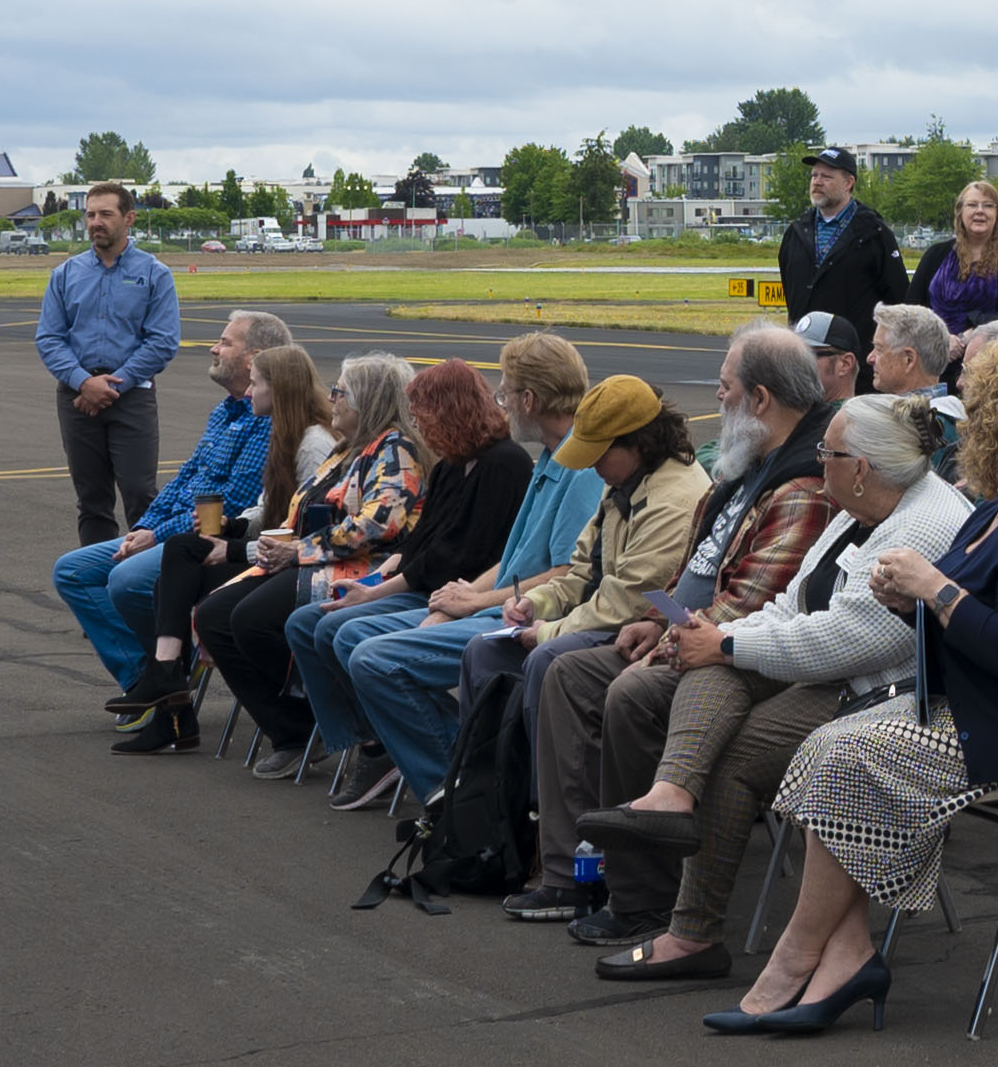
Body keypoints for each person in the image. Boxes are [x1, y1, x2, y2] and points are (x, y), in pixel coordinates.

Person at [702, 340, 998, 1034]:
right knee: (828, 745)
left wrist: (933, 588)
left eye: (977, 407)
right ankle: (846, 951)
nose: (962, 421)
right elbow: (975, 624)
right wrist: (905, 599)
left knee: (850, 753)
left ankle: (798, 958)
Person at [580, 393, 978, 980]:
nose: (819, 462)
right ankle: (671, 796)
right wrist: (722, 637)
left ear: (861, 467)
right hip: (834, 676)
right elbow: (792, 604)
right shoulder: (859, 508)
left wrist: (730, 642)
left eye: (828, 453)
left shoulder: (922, 523)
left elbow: (853, 640)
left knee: (733, 748)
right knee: (709, 659)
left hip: (884, 694)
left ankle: (692, 934)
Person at [524, 329, 843, 877]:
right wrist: (655, 620)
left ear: (760, 399)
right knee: (566, 674)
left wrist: (668, 639)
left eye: (725, 387)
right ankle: (567, 868)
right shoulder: (747, 467)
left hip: (734, 653)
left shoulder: (800, 485)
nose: (717, 398)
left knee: (629, 693)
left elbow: (750, 604)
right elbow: (690, 570)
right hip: (687, 633)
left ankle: (639, 889)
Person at [306, 335, 597, 810]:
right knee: (351, 642)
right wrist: (463, 596)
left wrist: (472, 602)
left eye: (505, 393)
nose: (501, 405)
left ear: (530, 399)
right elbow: (516, 557)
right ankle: (459, 773)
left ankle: (461, 792)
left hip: (529, 615)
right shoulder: (550, 457)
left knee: (372, 658)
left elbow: (567, 572)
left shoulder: (576, 469)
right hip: (501, 603)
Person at [430, 369, 708, 818]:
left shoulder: (672, 499)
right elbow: (583, 570)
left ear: (637, 442)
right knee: (481, 651)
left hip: (638, 630)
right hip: (606, 618)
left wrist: (546, 631)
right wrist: (533, 604)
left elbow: (626, 601)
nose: (592, 466)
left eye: (600, 454)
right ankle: (487, 800)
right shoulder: (624, 482)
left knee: (547, 660)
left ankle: (552, 814)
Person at [279, 362, 528, 794]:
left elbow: (456, 560)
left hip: (463, 596)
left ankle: (436, 752)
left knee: (342, 633)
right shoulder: (453, 465)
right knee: (306, 623)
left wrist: (376, 591)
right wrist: (376, 584)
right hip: (428, 588)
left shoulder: (504, 465)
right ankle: (377, 742)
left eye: (422, 414)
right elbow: (425, 546)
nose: (417, 425)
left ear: (452, 411)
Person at [51, 308, 304, 701]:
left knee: (127, 581)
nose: (213, 348)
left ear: (253, 358)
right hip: (174, 532)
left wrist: (158, 536)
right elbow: (186, 477)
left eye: (225, 342)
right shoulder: (226, 409)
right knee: (73, 571)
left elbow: (230, 506)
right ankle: (146, 679)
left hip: (215, 540)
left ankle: (167, 673)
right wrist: (144, 527)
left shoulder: (266, 419)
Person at [96, 331, 328, 747]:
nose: (250, 390)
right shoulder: (276, 431)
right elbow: (261, 506)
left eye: (256, 383)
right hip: (269, 548)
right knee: (183, 554)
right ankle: (168, 684)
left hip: (294, 561)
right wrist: (234, 528)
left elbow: (310, 534)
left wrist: (235, 545)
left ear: (281, 389)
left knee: (168, 578)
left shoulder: (312, 445)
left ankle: (170, 693)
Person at [207, 351, 420, 765]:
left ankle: (313, 717)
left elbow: (377, 525)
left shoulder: (396, 450)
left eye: (341, 391)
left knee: (251, 620)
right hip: (314, 558)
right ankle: (294, 724)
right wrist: (280, 542)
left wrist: (298, 549)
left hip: (361, 568)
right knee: (214, 616)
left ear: (368, 401)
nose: (333, 398)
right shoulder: (347, 448)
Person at [35, 181, 186, 546]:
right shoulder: (65, 275)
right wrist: (83, 382)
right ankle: (97, 582)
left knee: (140, 495)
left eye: (106, 214)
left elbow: (163, 341)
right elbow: (49, 337)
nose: (95, 222)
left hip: (131, 396)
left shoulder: (154, 274)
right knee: (92, 501)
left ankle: (146, 587)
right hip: (77, 397)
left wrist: (114, 383)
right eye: (90, 214)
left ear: (129, 218)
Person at [776, 144, 901, 336]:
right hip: (804, 352)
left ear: (848, 183)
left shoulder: (874, 233)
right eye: (814, 176)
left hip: (855, 354)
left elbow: (896, 297)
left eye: (826, 177)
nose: (817, 182)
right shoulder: (796, 233)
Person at [913, 174, 998, 350]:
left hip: (989, 358)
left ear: (997, 215)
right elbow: (913, 309)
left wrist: (968, 337)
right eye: (972, 205)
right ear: (960, 212)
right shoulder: (935, 255)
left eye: (988, 206)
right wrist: (941, 340)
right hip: (932, 355)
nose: (979, 211)